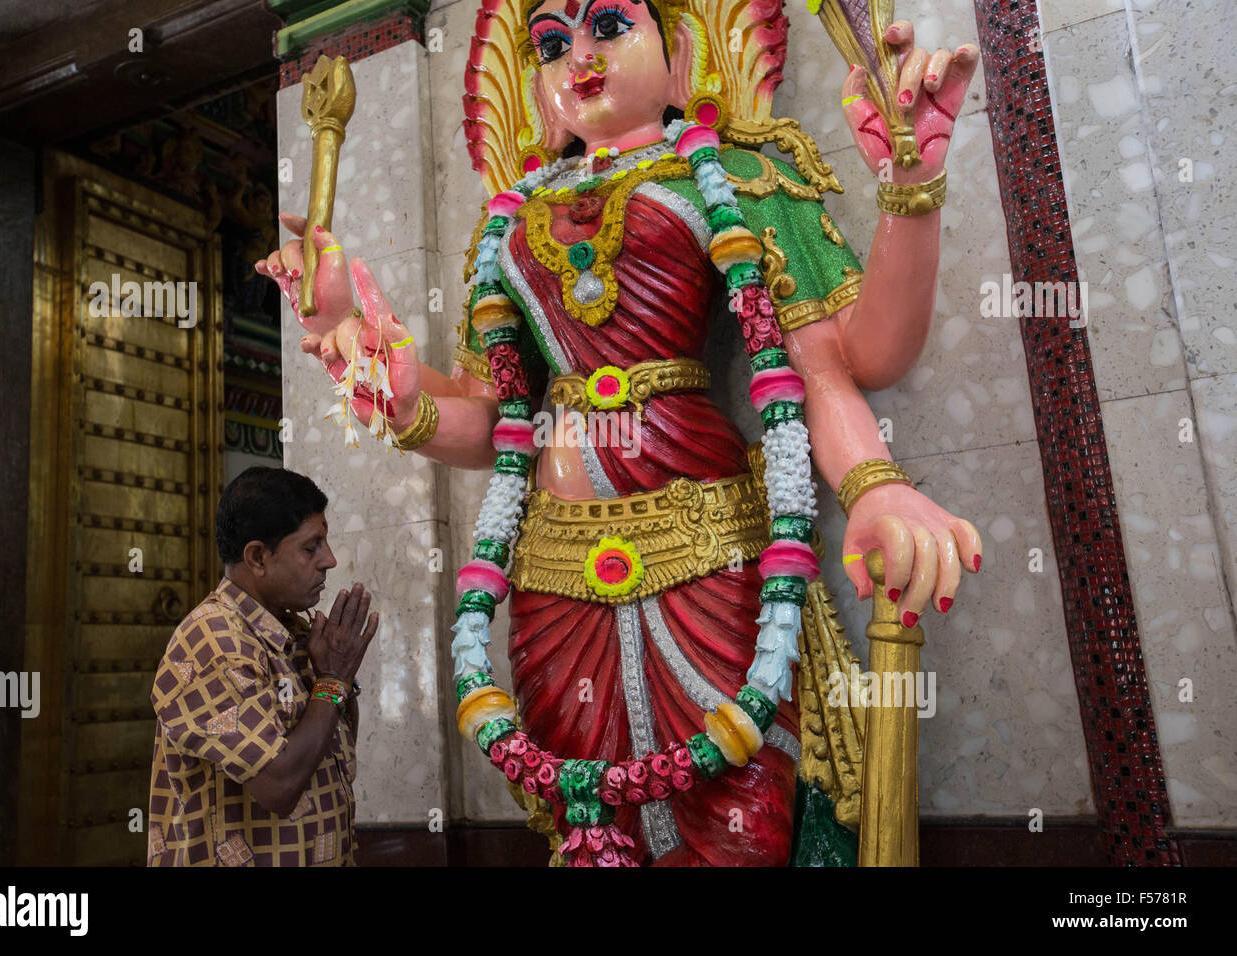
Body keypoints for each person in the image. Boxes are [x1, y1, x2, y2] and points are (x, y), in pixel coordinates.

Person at [260, 0, 983, 864]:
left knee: (742, 818)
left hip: (705, 550)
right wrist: (372, 354)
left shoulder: (736, 174)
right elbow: (493, 419)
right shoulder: (509, 223)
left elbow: (840, 360)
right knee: (589, 831)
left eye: (609, 25)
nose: (581, 57)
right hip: (552, 576)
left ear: (682, 55)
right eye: (554, 42)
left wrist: (910, 192)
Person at [147, 466, 378, 866]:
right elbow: (279, 785)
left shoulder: (290, 630)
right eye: (311, 547)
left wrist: (336, 682)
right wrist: (333, 679)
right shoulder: (214, 638)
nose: (330, 560)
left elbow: (333, 750)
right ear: (257, 557)